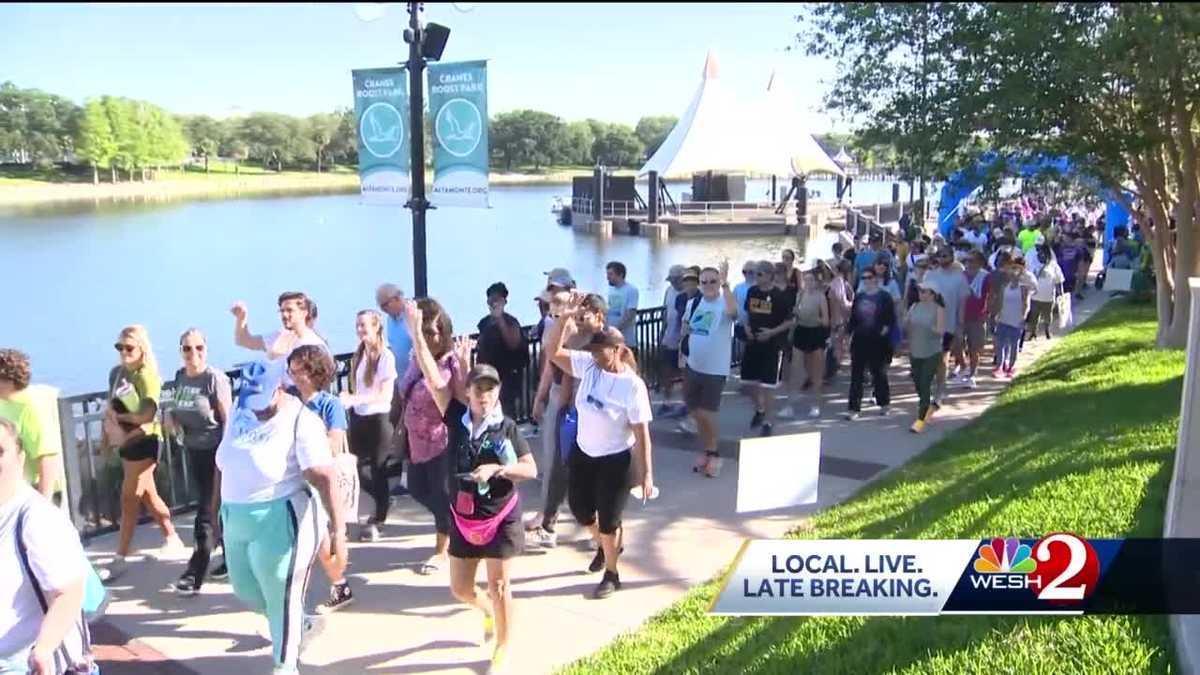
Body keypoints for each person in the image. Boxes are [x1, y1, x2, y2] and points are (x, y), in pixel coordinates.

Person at [213, 361, 346, 675]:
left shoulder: (302, 420)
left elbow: (325, 477)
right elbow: (225, 461)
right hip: (235, 517)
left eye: (262, 403)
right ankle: (300, 624)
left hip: (281, 519)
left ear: (278, 388)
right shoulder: (239, 411)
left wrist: (338, 532)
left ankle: (285, 665)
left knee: (280, 595)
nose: (256, 411)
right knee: (246, 591)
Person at [416, 343, 537, 673]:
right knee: (460, 589)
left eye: (490, 389)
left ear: (497, 393)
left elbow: (530, 469)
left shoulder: (507, 428)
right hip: (464, 518)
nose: (484, 395)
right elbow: (431, 376)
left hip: (499, 516)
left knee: (499, 585)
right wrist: (415, 331)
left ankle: (503, 644)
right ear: (467, 391)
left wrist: (497, 470)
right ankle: (485, 610)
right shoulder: (456, 418)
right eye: (478, 388)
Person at [544, 305, 654, 600]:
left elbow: (642, 433)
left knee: (608, 519)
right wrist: (565, 317)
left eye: (600, 351)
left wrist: (647, 475)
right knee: (580, 509)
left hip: (616, 461)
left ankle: (612, 573)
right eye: (591, 351)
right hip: (584, 454)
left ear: (617, 350)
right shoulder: (589, 366)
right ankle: (608, 546)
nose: (594, 356)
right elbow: (552, 351)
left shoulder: (632, 386)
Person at [0, 418, 91, 675]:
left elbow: (70, 591)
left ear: (20, 457)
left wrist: (43, 649)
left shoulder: (36, 517)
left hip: (24, 664)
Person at [100, 325, 183, 582]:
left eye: (129, 348)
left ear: (141, 349)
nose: (124, 352)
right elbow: (109, 407)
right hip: (125, 441)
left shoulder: (147, 376)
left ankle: (120, 557)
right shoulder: (117, 373)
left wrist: (123, 418)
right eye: (120, 347)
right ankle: (172, 536)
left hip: (145, 440)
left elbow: (147, 415)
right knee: (147, 493)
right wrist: (107, 439)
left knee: (129, 497)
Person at [527, 293, 606, 548]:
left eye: (586, 314)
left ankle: (604, 530)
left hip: (597, 416)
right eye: (579, 314)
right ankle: (549, 525)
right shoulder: (573, 337)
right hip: (569, 413)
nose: (581, 318)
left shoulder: (609, 341)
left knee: (594, 474)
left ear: (599, 316)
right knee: (557, 469)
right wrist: (549, 403)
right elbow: (553, 357)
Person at [399, 298, 468, 575]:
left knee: (441, 495)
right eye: (424, 332)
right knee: (416, 488)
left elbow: (455, 398)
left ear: (445, 333)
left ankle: (443, 548)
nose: (429, 338)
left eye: (434, 332)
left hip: (443, 441)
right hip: (416, 441)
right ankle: (455, 524)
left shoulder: (451, 363)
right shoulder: (416, 360)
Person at [285, 345, 355, 614]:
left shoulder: (329, 404)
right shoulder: (289, 400)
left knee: (323, 539)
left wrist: (305, 440)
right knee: (315, 541)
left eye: (298, 368)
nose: (292, 373)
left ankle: (338, 584)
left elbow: (334, 443)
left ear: (313, 371)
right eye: (291, 368)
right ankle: (339, 584)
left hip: (321, 479)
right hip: (295, 479)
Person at [163, 329, 233, 595]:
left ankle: (194, 574)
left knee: (205, 513)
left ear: (207, 349)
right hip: (192, 452)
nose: (194, 354)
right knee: (217, 509)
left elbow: (228, 420)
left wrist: (225, 458)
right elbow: (180, 408)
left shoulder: (214, 379)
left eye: (199, 348)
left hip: (216, 452)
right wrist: (171, 417)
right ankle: (231, 559)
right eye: (188, 349)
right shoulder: (180, 377)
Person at [340, 310, 397, 542]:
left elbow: (385, 394)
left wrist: (356, 399)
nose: (360, 330)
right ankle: (383, 499)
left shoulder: (386, 356)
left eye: (364, 325)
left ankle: (379, 517)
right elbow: (360, 387)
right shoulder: (360, 354)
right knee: (356, 469)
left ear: (376, 327)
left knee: (378, 468)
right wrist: (351, 397)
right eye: (358, 325)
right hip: (359, 417)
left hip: (379, 419)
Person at [680, 262, 738, 477]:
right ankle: (707, 449)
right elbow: (687, 327)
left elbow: (733, 314)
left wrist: (726, 285)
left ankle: (714, 454)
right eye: (704, 282)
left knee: (706, 412)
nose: (708, 285)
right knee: (694, 410)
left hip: (715, 370)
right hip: (694, 365)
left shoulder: (724, 301)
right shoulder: (695, 302)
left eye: (713, 281)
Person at [742, 260, 793, 437]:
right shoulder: (752, 291)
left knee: (768, 386)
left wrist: (772, 332)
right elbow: (748, 313)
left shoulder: (779, 296)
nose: (756, 277)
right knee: (747, 385)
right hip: (753, 343)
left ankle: (768, 421)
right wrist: (747, 328)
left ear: (770, 275)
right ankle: (760, 409)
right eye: (754, 274)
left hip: (772, 345)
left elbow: (789, 321)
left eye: (759, 274)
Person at [0, 349, 59, 501]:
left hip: (34, 491)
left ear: (9, 380)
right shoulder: (3, 402)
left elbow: (47, 458)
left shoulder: (31, 407)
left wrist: (43, 505)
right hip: (11, 488)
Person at [232, 292, 328, 384]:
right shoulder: (279, 335)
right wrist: (241, 318)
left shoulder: (312, 344)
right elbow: (244, 341)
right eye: (282, 311)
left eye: (289, 310)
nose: (284, 315)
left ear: (304, 313)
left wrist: (273, 356)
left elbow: (311, 384)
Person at [844, 268, 895, 420]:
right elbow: (853, 319)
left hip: (878, 341)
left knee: (879, 373)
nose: (866, 280)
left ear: (875, 279)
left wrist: (883, 333)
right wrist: (847, 335)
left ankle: (884, 403)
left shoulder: (884, 297)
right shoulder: (859, 297)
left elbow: (890, 319)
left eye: (869, 277)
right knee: (856, 375)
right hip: (860, 340)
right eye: (863, 278)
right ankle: (854, 408)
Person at [923, 248, 970, 404]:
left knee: (942, 358)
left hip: (948, 324)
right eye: (940, 256)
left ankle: (940, 391)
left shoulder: (959, 278)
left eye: (946, 256)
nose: (943, 259)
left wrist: (960, 325)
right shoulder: (930, 275)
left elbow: (962, 303)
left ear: (952, 257)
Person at [475, 283, 528, 420]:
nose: (493, 303)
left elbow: (513, 344)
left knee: (506, 418)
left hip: (507, 380)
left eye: (497, 300)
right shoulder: (484, 323)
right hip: (487, 379)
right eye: (491, 300)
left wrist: (500, 320)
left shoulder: (511, 322)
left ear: (504, 301)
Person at [783, 268, 831, 420]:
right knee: (796, 371)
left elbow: (826, 321)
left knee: (815, 372)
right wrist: (797, 314)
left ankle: (815, 405)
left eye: (811, 280)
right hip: (801, 332)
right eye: (806, 280)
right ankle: (789, 405)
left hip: (815, 334)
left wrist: (813, 317)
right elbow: (795, 315)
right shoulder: (800, 294)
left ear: (816, 282)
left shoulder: (821, 297)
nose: (808, 283)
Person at [905, 282, 946, 434]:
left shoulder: (939, 309)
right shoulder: (914, 307)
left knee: (925, 383)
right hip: (915, 350)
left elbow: (941, 331)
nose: (921, 294)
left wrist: (928, 327)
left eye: (925, 291)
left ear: (932, 294)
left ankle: (920, 420)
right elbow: (907, 325)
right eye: (920, 291)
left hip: (932, 352)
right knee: (917, 382)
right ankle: (926, 404)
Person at [991, 259, 1032, 378]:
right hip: (1003, 319)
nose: (1014, 272)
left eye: (1017, 270)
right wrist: (995, 315)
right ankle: (1000, 366)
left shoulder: (1024, 289)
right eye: (1012, 269)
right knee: (1000, 344)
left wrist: (1023, 318)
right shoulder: (1004, 287)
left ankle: (1011, 366)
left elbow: (1026, 304)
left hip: (1016, 321)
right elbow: (999, 302)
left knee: (1014, 345)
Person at [657, 266, 688, 416]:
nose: (673, 283)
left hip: (684, 339)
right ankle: (666, 401)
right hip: (669, 337)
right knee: (666, 371)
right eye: (671, 280)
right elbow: (665, 312)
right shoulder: (669, 291)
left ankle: (685, 403)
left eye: (676, 279)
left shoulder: (690, 293)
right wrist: (662, 332)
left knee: (685, 373)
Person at [960, 251, 990, 389]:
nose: (969, 263)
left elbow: (991, 296)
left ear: (979, 262)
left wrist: (988, 313)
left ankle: (972, 375)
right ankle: (963, 367)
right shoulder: (961, 275)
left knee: (974, 348)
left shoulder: (985, 276)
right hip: (960, 316)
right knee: (956, 345)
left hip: (977, 317)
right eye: (967, 260)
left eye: (972, 260)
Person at [376, 284, 414, 382]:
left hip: (418, 382)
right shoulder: (390, 320)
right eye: (380, 306)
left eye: (385, 304)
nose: (383, 309)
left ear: (397, 298)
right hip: (401, 381)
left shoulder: (414, 314)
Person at [1028, 245, 1064, 342]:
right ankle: (1033, 332)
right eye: (1039, 253)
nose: (1041, 256)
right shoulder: (1033, 264)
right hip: (1035, 297)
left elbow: (1059, 281)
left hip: (1048, 297)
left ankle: (1047, 330)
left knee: (1047, 315)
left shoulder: (1054, 266)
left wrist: (1060, 295)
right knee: (1034, 316)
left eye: (1043, 253)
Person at [605, 261, 639, 350]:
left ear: (620, 274)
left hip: (626, 341)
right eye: (607, 274)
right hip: (611, 340)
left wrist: (616, 330)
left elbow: (630, 314)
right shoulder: (611, 290)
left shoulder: (631, 290)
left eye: (610, 274)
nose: (607, 277)